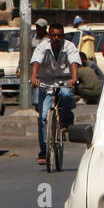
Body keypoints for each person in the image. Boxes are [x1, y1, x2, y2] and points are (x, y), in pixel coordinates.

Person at [30, 22, 80, 165]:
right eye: (53, 35)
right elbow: (36, 63)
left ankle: (65, 120)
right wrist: (34, 78)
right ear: (49, 36)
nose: (56, 38)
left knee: (65, 95)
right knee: (44, 116)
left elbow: (74, 63)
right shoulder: (42, 46)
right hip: (46, 82)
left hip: (64, 80)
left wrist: (74, 78)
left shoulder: (69, 46)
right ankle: (44, 151)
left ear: (63, 36)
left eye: (59, 35)